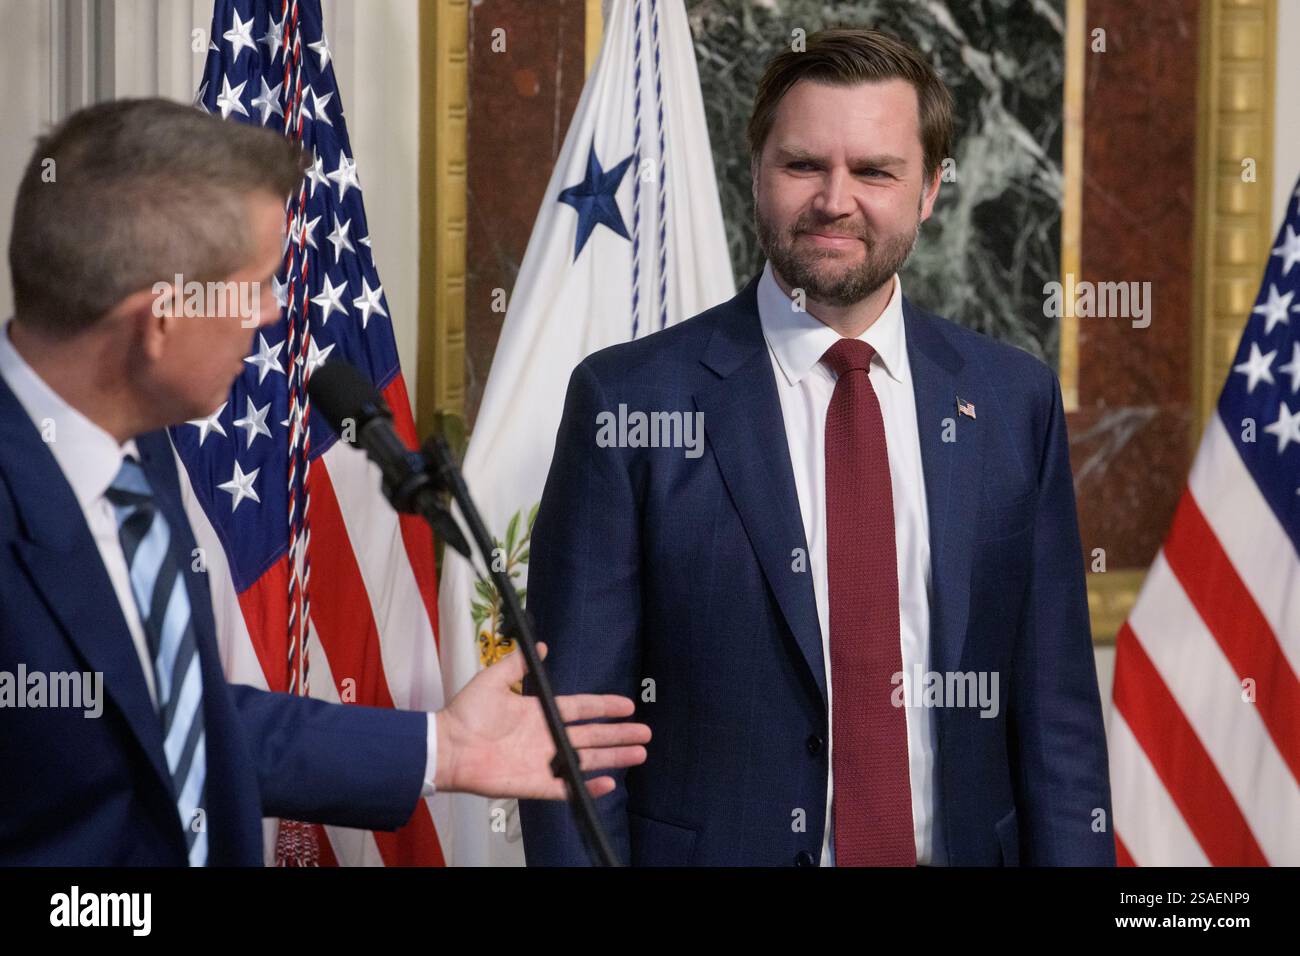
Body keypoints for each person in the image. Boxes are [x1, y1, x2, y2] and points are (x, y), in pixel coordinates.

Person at [0, 98, 649, 866]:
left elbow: (176, 724)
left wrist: (440, 748)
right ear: (160, 322)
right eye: (259, 285)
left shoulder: (136, 455)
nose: (276, 316)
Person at [520, 28, 1114, 866]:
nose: (835, 199)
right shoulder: (628, 401)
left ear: (933, 189)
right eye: (804, 165)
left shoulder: (1014, 402)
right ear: (755, 171)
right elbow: (575, 729)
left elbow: (1058, 721)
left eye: (875, 171)